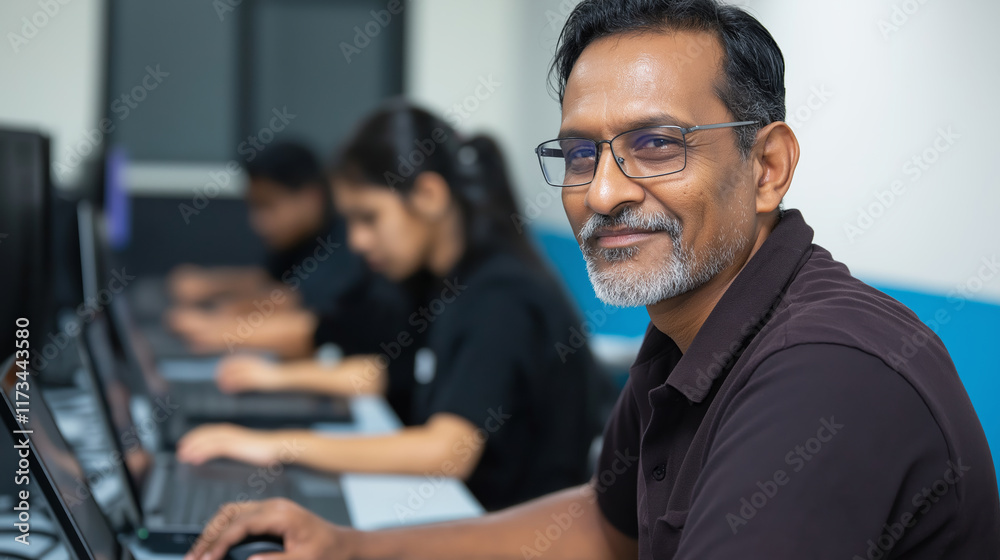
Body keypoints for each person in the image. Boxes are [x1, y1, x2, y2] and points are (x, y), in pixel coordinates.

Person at [184, 1, 1000, 558]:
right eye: (580, 153)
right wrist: (352, 547)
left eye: (656, 144)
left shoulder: (828, 376)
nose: (602, 193)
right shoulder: (684, 329)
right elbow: (605, 529)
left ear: (768, 167)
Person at [175, 102, 607, 512]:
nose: (358, 241)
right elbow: (385, 374)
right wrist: (274, 378)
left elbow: (446, 451)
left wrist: (277, 446)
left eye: (369, 217)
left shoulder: (499, 296)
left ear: (429, 196)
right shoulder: (438, 282)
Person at [165, 142, 375, 358]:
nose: (257, 221)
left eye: (268, 205)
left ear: (311, 197)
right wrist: (210, 285)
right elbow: (269, 282)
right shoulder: (295, 240)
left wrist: (219, 326)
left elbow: (303, 314)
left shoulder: (346, 242)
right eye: (254, 206)